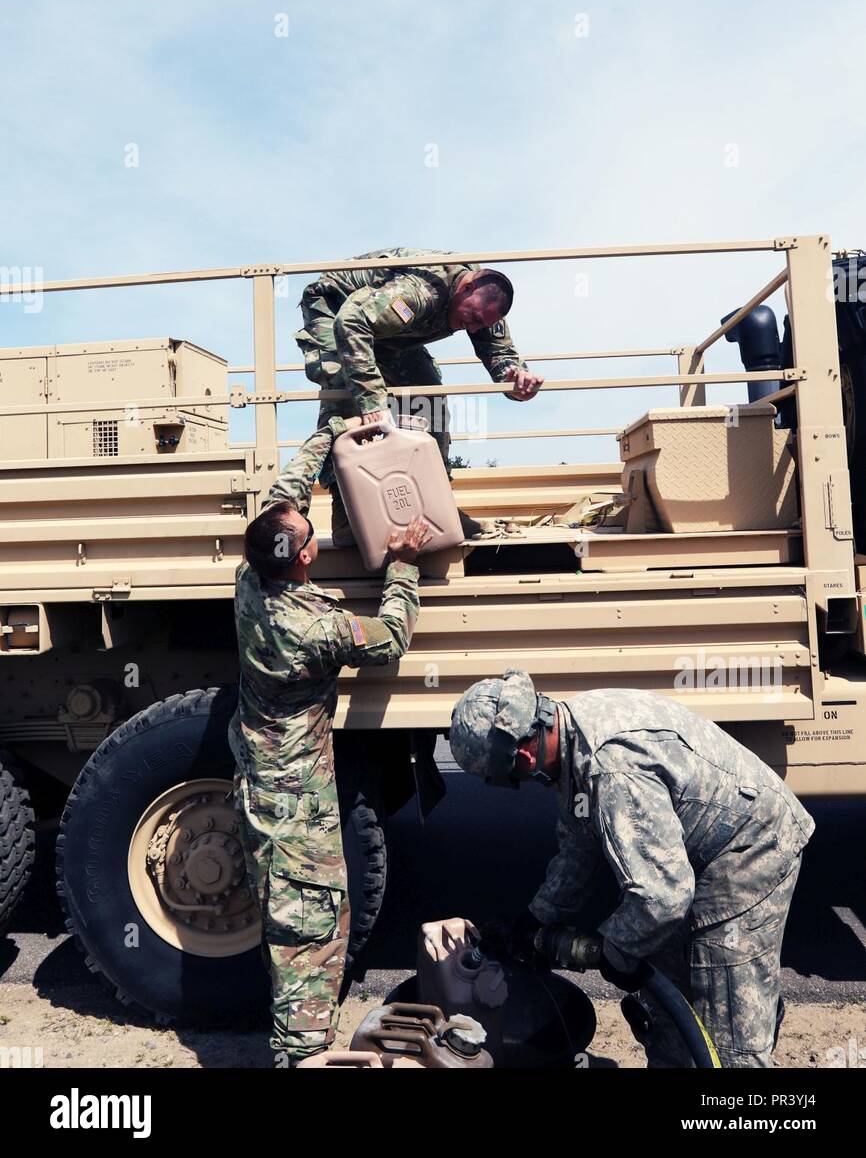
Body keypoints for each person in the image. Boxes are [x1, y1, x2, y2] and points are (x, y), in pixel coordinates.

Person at [448, 673, 815, 1068]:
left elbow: (662, 899)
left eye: (511, 778)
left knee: (727, 1027)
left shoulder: (609, 767)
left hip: (748, 847)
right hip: (691, 855)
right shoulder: (571, 734)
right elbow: (579, 847)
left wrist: (616, 951)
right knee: (669, 1006)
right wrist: (534, 919)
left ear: (524, 758)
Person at [229, 416, 430, 1066]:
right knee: (308, 940)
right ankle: (301, 1056)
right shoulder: (313, 631)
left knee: (292, 932)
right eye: (310, 536)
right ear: (307, 557)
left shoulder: (250, 586)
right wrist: (403, 569)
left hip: (261, 792)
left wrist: (332, 433)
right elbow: (390, 638)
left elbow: (284, 500)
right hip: (297, 820)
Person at [295, 247, 544, 540]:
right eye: (472, 317)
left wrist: (515, 378)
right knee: (346, 392)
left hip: (385, 328)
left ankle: (439, 506)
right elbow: (351, 321)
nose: (473, 328)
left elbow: (500, 352)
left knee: (428, 399)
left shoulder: (484, 305)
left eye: (481, 324)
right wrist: (373, 401)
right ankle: (347, 515)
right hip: (335, 307)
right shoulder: (418, 294)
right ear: (466, 288)